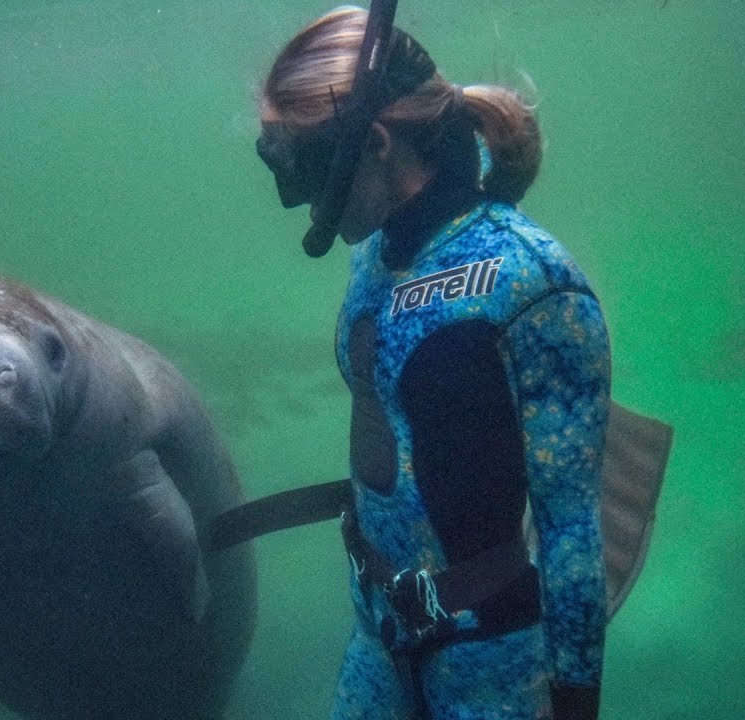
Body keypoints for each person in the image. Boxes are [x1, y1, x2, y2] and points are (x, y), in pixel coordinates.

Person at [255, 6, 608, 719]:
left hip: (491, 664)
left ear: (376, 143)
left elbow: (570, 528)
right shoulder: (373, 258)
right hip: (376, 637)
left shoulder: (533, 281)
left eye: (302, 168)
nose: (295, 200)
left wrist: (575, 702)